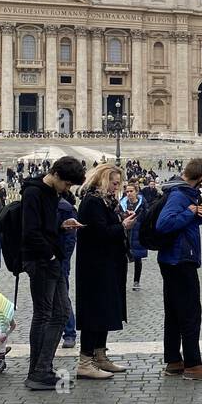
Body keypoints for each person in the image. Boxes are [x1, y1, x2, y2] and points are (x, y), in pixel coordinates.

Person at [20, 156, 86, 391]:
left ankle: (41, 369)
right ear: (56, 175)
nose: (67, 189)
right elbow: (30, 231)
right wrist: (49, 256)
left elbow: (44, 227)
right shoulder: (34, 193)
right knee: (44, 314)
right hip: (41, 261)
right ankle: (37, 372)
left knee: (60, 312)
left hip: (51, 259)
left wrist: (61, 226)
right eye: (67, 184)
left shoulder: (51, 192)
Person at [156, 157, 202, 380]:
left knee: (174, 312)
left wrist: (197, 216)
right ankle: (193, 364)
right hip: (180, 259)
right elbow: (164, 224)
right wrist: (189, 212)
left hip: (172, 258)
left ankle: (173, 360)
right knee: (191, 312)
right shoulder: (179, 194)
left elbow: (183, 221)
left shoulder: (178, 191)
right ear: (200, 177)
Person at [74, 163, 131, 379]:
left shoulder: (107, 202)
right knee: (95, 312)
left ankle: (100, 356)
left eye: (119, 183)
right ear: (103, 180)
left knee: (105, 310)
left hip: (108, 264)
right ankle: (85, 361)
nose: (117, 187)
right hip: (94, 268)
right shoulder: (92, 202)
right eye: (114, 183)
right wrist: (123, 226)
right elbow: (100, 233)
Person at [58, 192, 78, 350]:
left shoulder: (65, 207)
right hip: (46, 261)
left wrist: (63, 260)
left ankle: (69, 333)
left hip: (60, 261)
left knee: (63, 297)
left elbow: (71, 239)